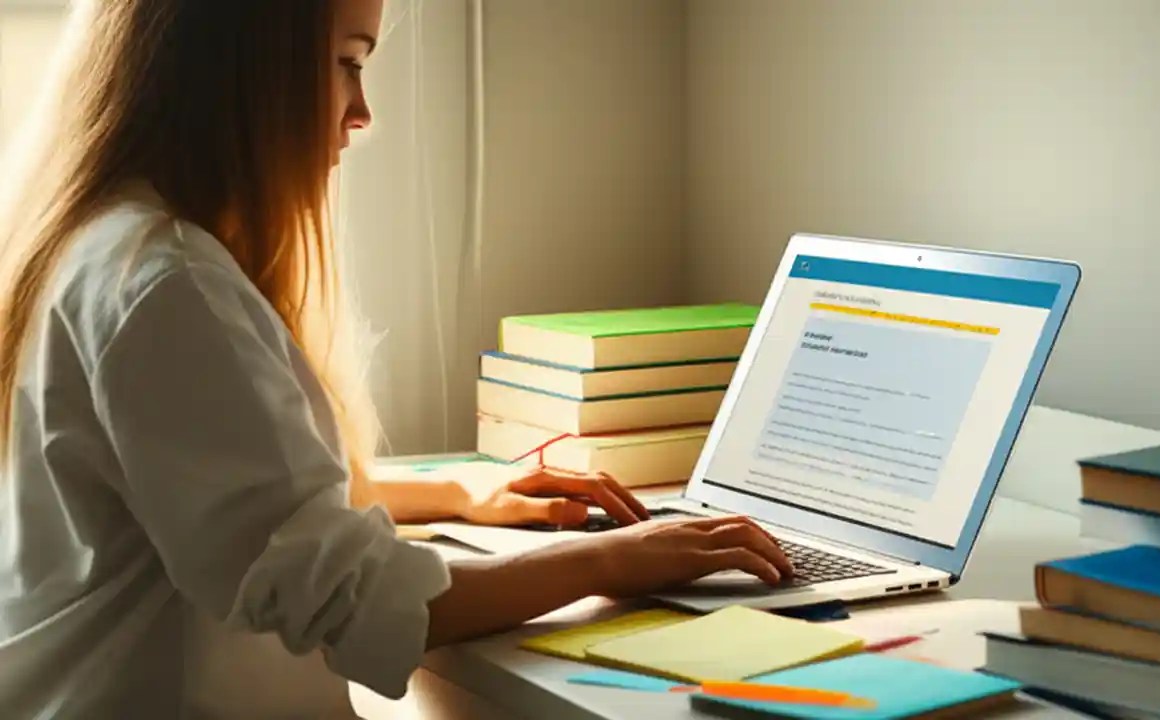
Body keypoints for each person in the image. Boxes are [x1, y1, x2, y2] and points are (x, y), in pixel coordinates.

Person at [0, 1, 792, 717]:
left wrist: (460, 490)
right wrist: (615, 559)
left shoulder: (109, 244)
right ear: (242, 66)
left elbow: (232, 505)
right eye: (348, 62)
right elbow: (355, 600)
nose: (362, 113)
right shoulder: (168, 286)